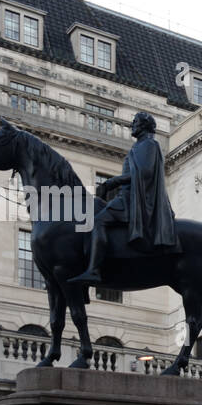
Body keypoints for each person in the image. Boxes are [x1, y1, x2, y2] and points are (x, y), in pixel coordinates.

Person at [69, 111, 178, 284]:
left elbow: (144, 174)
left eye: (135, 122)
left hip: (132, 200)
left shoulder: (149, 144)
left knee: (97, 222)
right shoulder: (140, 145)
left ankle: (94, 270)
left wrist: (113, 181)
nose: (132, 125)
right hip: (126, 196)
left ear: (144, 125)